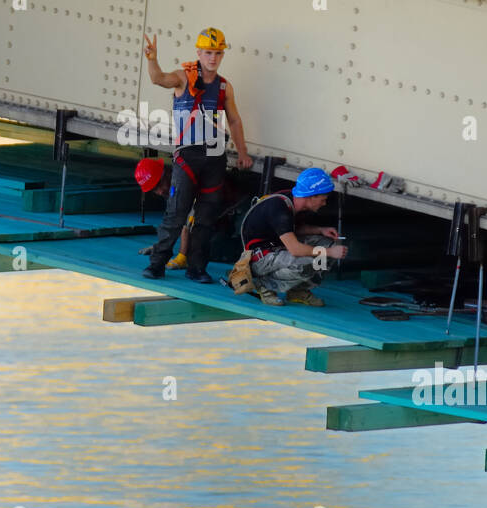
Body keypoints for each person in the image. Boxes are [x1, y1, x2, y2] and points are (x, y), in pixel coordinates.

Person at [141, 28, 253, 283]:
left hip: (215, 156)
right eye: (208, 53)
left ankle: (197, 268)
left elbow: (234, 120)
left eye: (217, 53)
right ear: (199, 53)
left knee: (206, 216)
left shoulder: (224, 86)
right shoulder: (183, 78)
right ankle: (157, 263)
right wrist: (151, 59)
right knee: (176, 213)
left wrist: (242, 152)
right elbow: (158, 78)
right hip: (187, 157)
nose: (213, 58)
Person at [239, 167, 346, 306]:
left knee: (330, 244)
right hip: (260, 259)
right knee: (309, 261)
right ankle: (264, 285)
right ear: (311, 196)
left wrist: (320, 230)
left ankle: (298, 291)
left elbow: (292, 230)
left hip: (277, 247)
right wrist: (330, 252)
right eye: (323, 199)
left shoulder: (293, 201)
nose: (324, 203)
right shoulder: (279, 208)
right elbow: (295, 249)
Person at [134, 156, 190, 270]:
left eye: (159, 185)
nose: (160, 192)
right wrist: (160, 246)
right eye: (154, 190)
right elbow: (171, 220)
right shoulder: (169, 186)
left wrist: (182, 256)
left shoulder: (184, 182)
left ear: (166, 173)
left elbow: (186, 222)